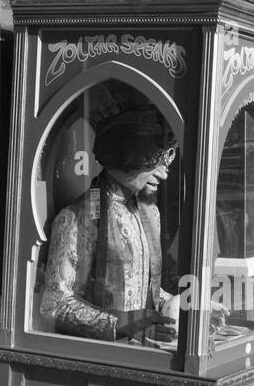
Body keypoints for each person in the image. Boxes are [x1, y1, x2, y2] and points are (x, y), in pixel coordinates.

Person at [41, 104, 179, 342]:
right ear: (129, 156)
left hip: (145, 349)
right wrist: (124, 323)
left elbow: (143, 290)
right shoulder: (76, 219)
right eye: (155, 162)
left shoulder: (149, 213)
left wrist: (183, 308)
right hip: (103, 354)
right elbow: (56, 304)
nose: (164, 174)